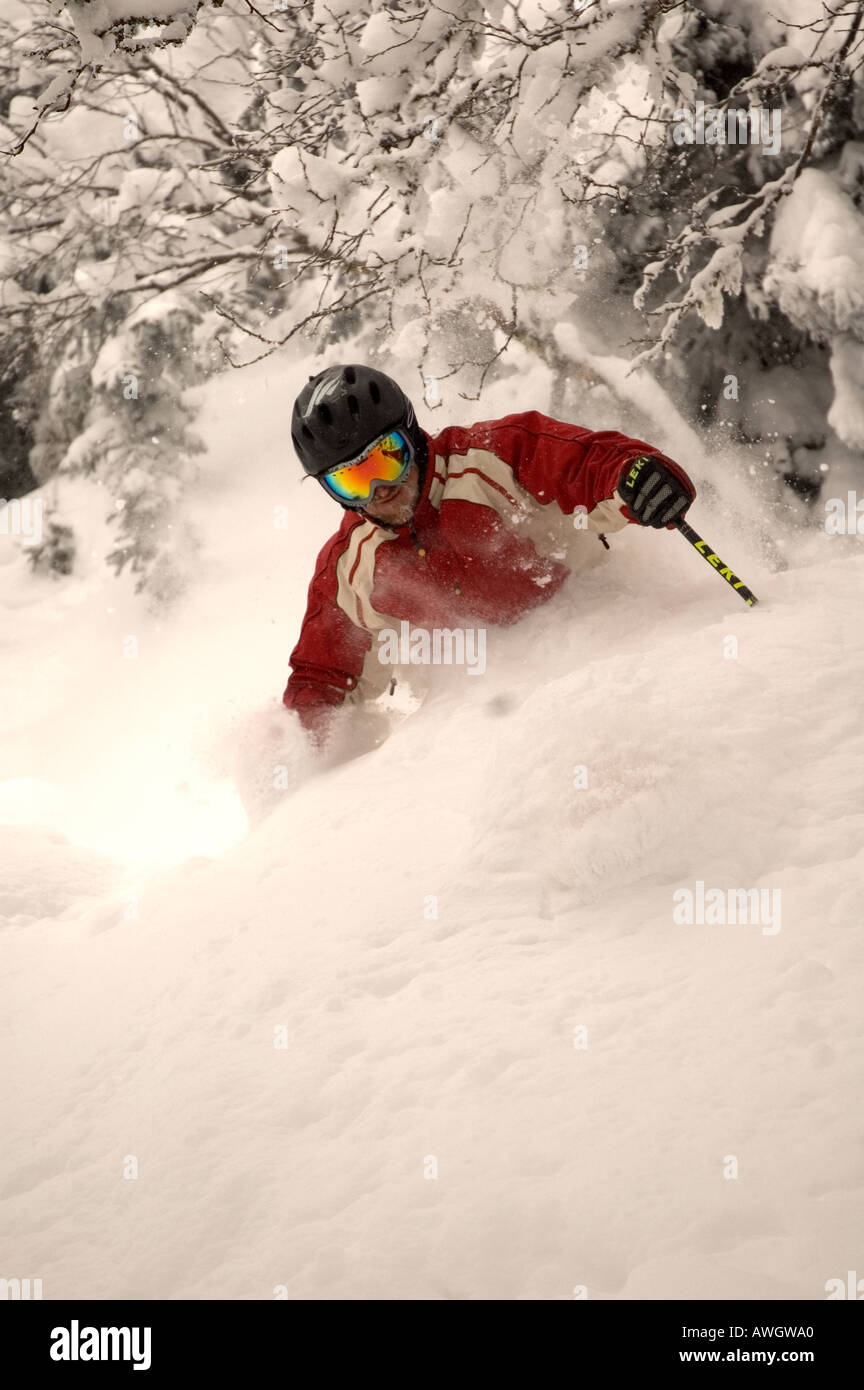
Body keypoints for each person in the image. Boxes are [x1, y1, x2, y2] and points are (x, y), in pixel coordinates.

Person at [283, 363, 695, 742]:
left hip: (610, 647)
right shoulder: (352, 568)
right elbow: (323, 681)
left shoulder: (491, 457)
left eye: (386, 461)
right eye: (352, 482)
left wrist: (635, 477)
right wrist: (299, 750)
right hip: (485, 726)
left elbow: (586, 463)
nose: (379, 490)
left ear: (411, 435)